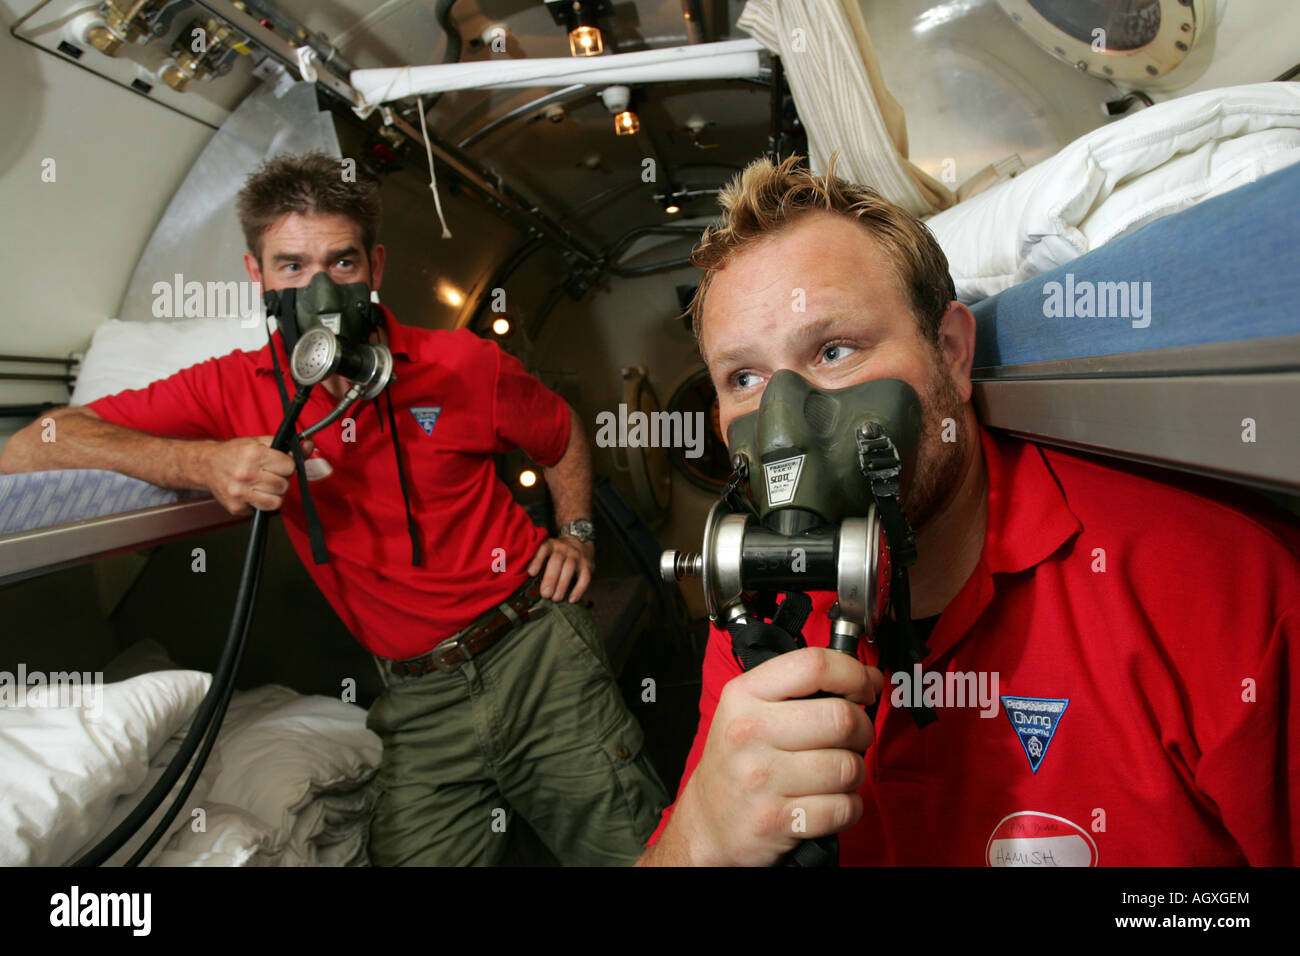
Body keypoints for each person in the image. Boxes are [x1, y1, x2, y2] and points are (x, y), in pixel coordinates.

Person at [0, 151, 667, 866]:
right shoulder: (233, 387)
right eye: (291, 266)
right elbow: (38, 439)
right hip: (416, 697)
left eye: (341, 264)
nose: (319, 287)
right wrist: (198, 461)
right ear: (256, 276)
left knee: (634, 853)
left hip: (534, 655)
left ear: (375, 267)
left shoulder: (459, 364)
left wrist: (576, 533)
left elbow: (561, 430)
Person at [637, 154, 1300, 867]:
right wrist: (700, 837)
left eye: (834, 350)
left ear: (951, 351)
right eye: (745, 377)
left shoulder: (1212, 588)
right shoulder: (763, 615)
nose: (784, 424)